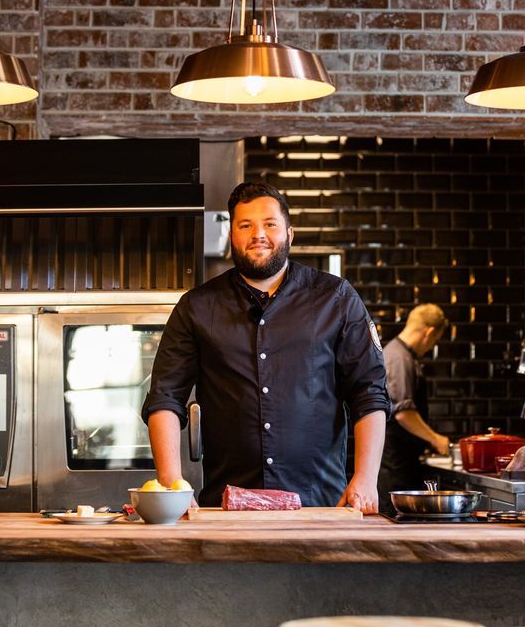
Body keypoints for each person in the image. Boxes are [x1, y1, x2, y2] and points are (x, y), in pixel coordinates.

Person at [141, 182, 390, 513]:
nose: (258, 234)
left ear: (289, 233)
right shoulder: (197, 307)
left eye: (270, 224)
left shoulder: (337, 298)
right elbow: (165, 398)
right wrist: (172, 485)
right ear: (232, 235)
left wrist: (366, 477)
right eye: (246, 225)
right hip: (227, 505)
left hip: (321, 505)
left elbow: (369, 392)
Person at [377, 303, 450, 514]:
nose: (430, 347)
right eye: (435, 340)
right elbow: (403, 413)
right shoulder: (400, 358)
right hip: (395, 470)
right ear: (429, 333)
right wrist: (435, 438)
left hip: (399, 465)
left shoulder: (398, 353)